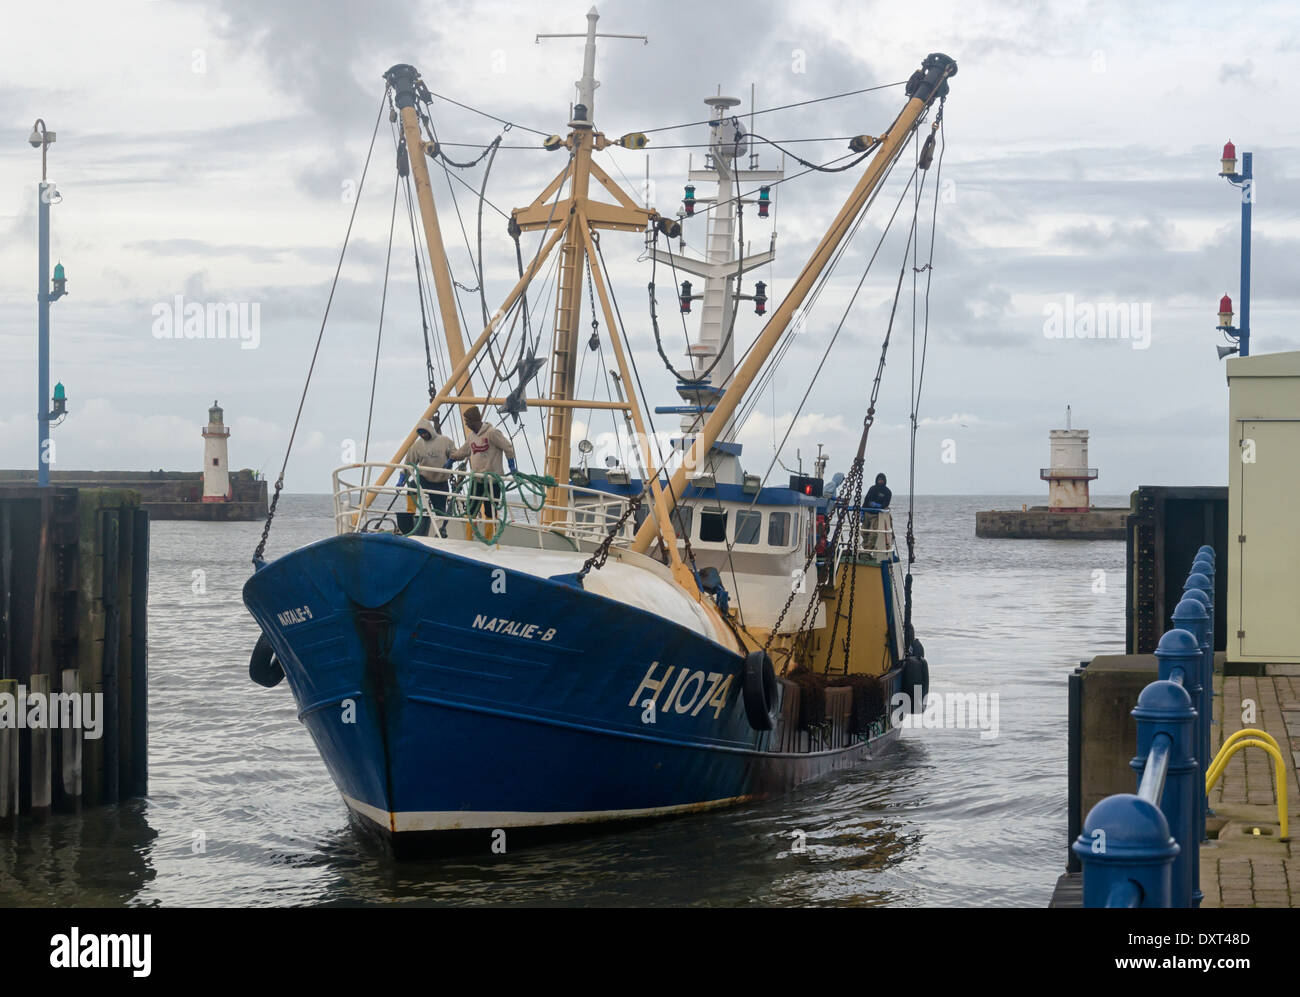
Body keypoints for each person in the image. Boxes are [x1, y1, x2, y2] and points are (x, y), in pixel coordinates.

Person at [449, 406, 516, 540]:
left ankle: (490, 538)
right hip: (477, 479)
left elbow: (508, 447)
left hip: (493, 481)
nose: (466, 424)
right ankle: (469, 538)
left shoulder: (492, 433)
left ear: (474, 420)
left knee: (490, 511)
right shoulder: (471, 437)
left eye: (467, 421)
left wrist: (512, 466)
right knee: (471, 509)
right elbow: (463, 452)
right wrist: (451, 459)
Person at [398, 416, 455, 537]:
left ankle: (441, 532)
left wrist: (451, 460)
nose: (423, 435)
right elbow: (409, 464)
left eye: (424, 432)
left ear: (430, 430)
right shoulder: (417, 446)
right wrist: (402, 479)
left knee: (440, 510)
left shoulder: (445, 441)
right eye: (420, 433)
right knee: (413, 486)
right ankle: (410, 513)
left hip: (441, 481)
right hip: (425, 479)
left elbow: (455, 453)